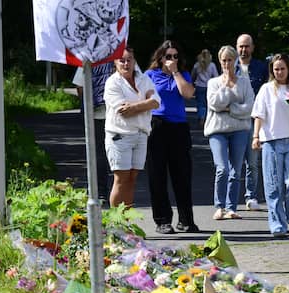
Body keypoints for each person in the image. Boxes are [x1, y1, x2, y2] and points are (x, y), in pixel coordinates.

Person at [145, 40, 198, 234]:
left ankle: (186, 220)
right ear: (160, 58)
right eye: (168, 56)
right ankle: (162, 220)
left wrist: (175, 72)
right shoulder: (150, 75)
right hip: (157, 125)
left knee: (182, 174)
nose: (172, 60)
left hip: (179, 127)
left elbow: (187, 93)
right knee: (157, 174)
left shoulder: (182, 74)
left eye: (175, 56)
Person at [251, 54, 289, 238]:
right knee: (274, 186)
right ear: (272, 71)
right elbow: (259, 114)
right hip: (271, 142)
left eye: (282, 68)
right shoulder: (266, 89)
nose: (279, 72)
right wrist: (256, 136)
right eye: (276, 69)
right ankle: (277, 224)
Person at [102, 46, 159, 209]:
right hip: (120, 135)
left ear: (134, 61)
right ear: (115, 62)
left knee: (132, 178)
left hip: (141, 134)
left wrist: (136, 105)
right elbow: (123, 110)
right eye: (122, 60)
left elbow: (156, 102)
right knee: (121, 178)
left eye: (129, 60)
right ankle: (116, 225)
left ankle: (126, 223)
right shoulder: (113, 82)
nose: (126, 64)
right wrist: (146, 103)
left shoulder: (143, 79)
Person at [205, 45, 255, 221]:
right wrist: (225, 86)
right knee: (222, 169)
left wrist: (230, 109)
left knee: (236, 171)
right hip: (217, 130)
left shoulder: (244, 82)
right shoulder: (213, 83)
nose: (227, 63)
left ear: (235, 61)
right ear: (219, 61)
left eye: (230, 60)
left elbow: (249, 107)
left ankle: (231, 207)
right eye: (224, 60)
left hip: (240, 130)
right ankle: (219, 206)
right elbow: (214, 105)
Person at [235, 33, 269, 211]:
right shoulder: (230, 67)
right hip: (233, 120)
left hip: (254, 120)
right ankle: (229, 200)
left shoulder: (261, 68)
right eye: (241, 46)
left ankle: (251, 196)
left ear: (252, 48)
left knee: (252, 161)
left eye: (247, 46)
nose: (243, 49)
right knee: (232, 162)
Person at [73, 62, 114, 203]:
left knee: (99, 154)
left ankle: (100, 192)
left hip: (95, 114)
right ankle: (115, 192)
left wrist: (89, 103)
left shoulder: (87, 58)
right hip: (117, 114)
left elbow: (79, 87)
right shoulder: (119, 56)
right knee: (115, 155)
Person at [191, 48, 219, 128]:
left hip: (199, 86)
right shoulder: (212, 65)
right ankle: (207, 119)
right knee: (208, 104)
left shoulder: (197, 65)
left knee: (200, 104)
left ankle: (201, 118)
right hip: (209, 86)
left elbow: (193, 75)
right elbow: (216, 76)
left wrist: (192, 83)